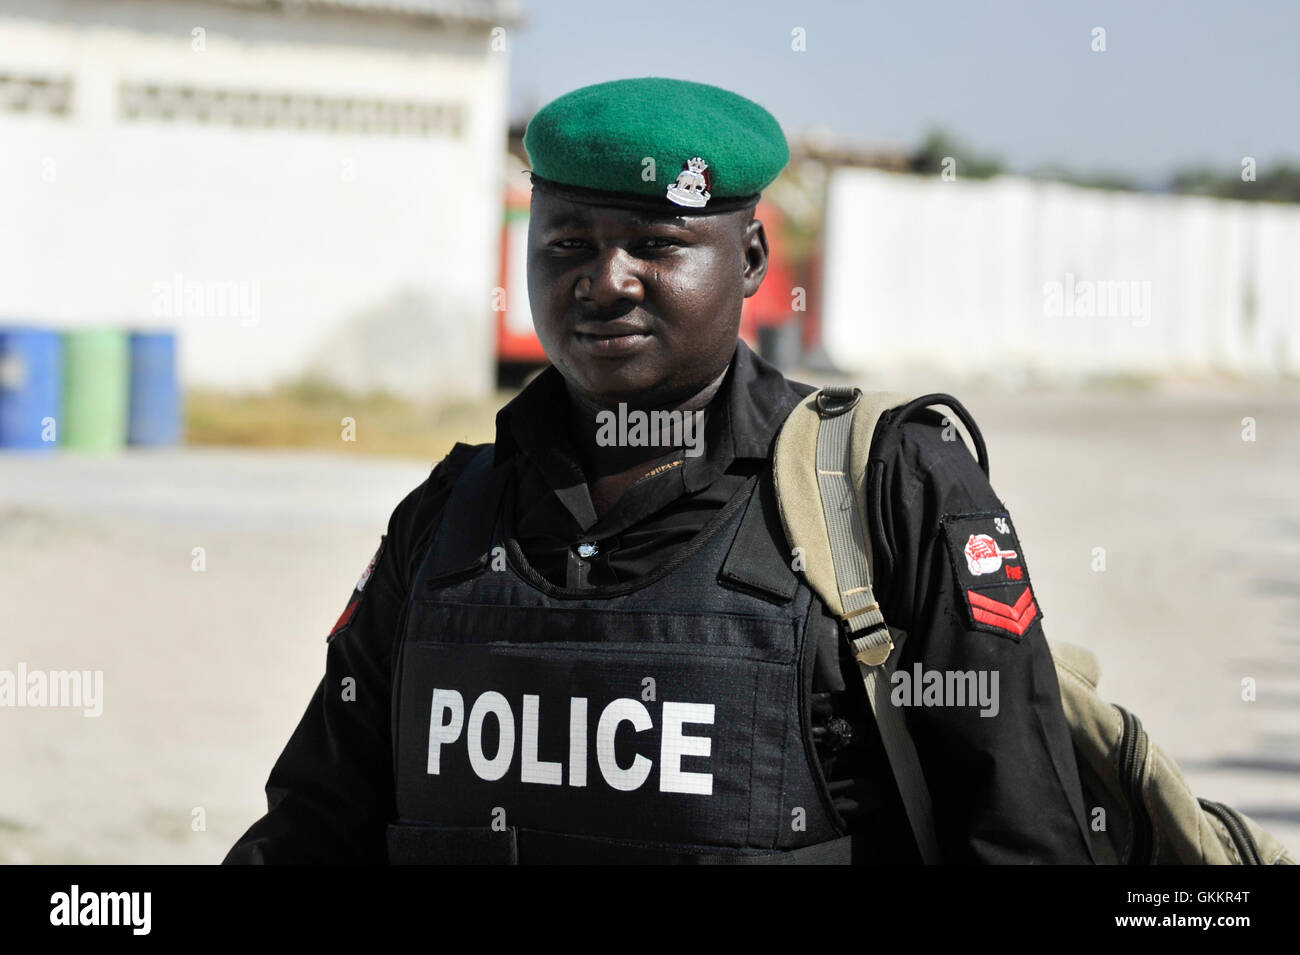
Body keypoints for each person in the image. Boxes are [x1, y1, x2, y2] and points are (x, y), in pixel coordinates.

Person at [224, 77, 1096, 865]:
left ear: (750, 259)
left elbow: (1022, 837)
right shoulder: (450, 517)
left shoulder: (885, 491)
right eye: (567, 244)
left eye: (655, 244)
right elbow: (314, 823)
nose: (607, 281)